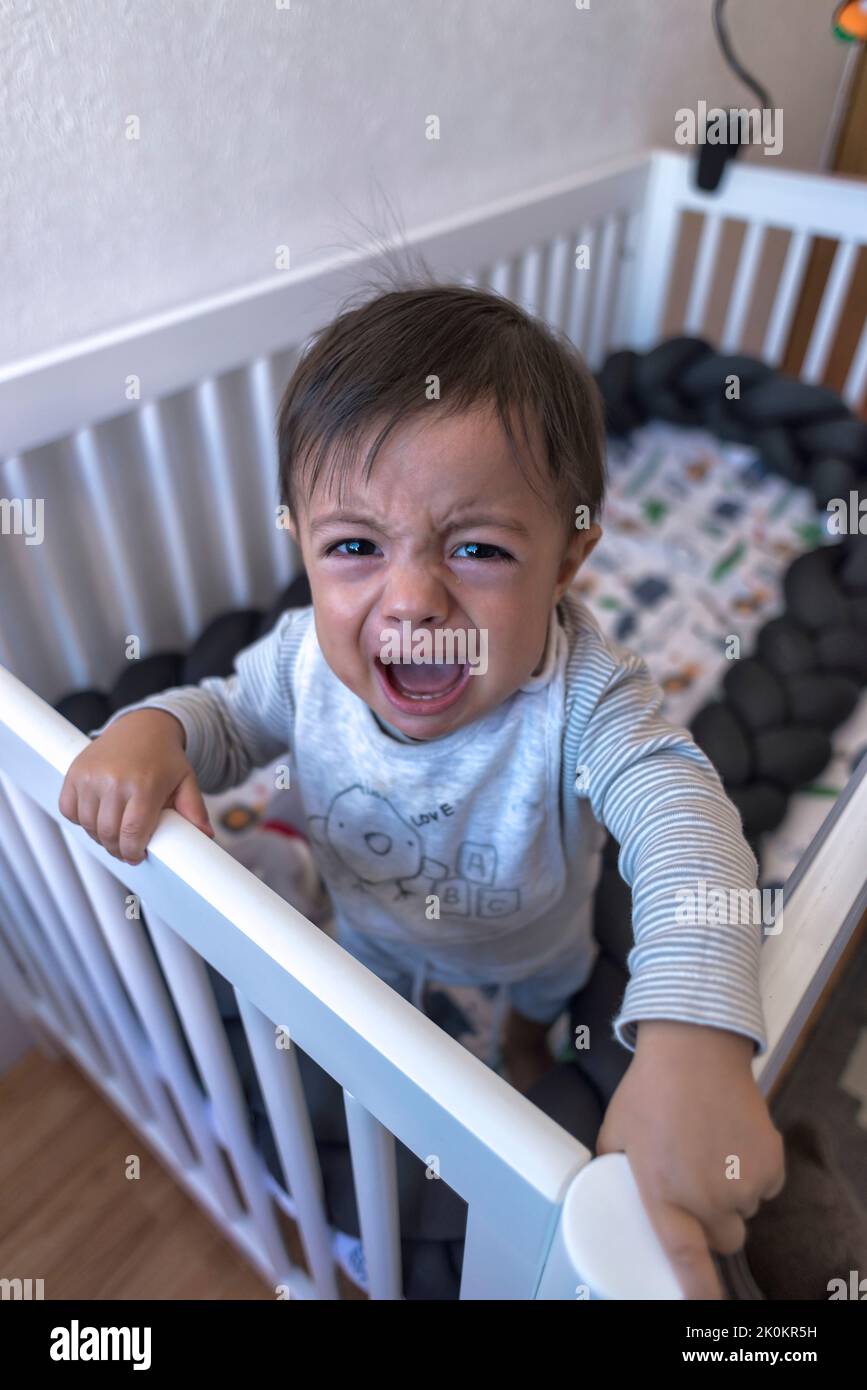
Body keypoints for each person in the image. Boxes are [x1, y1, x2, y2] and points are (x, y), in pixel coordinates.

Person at [59, 281, 785, 1298]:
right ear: (303, 545)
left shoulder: (582, 697)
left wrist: (695, 1034)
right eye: (354, 546)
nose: (410, 598)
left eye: (478, 548)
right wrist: (151, 727)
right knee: (368, 1024)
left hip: (535, 943)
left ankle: (531, 1040)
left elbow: (684, 816)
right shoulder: (305, 661)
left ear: (570, 557)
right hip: (367, 926)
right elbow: (223, 714)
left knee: (541, 1030)